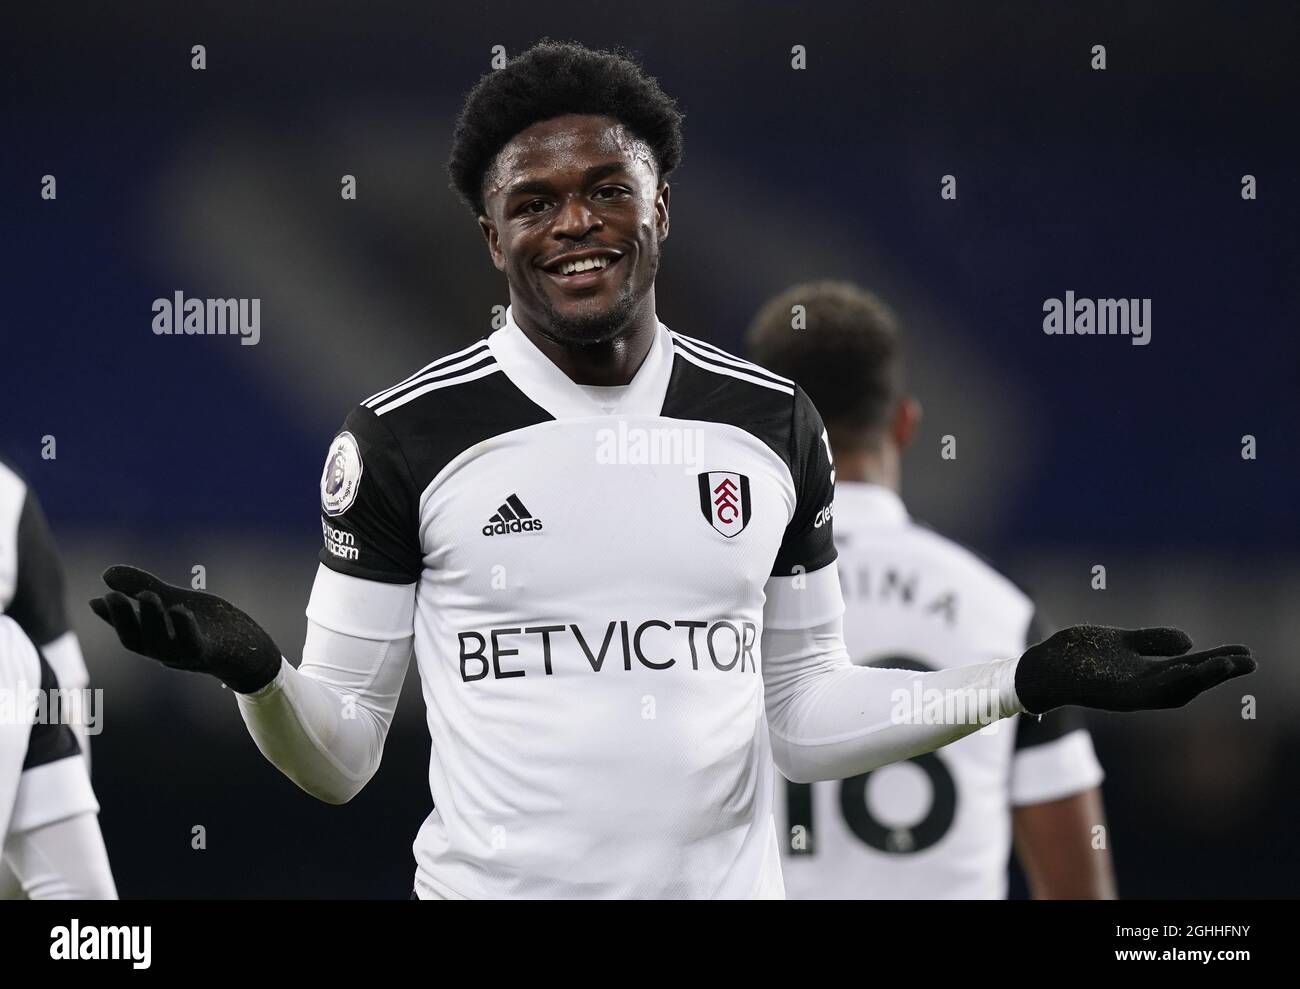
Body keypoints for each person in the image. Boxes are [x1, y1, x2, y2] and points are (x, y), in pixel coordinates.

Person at [90, 40, 1253, 899]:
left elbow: (802, 716)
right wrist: (260, 677)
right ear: (493, 239)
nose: (576, 223)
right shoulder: (402, 436)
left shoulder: (768, 422)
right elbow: (339, 755)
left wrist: (1028, 676)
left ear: (660, 206)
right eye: (534, 202)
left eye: (608, 188)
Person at [748, 281, 1116, 898]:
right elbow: (1081, 893)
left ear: (759, 428)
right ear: (905, 421)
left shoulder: (707, 611)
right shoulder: (1004, 615)